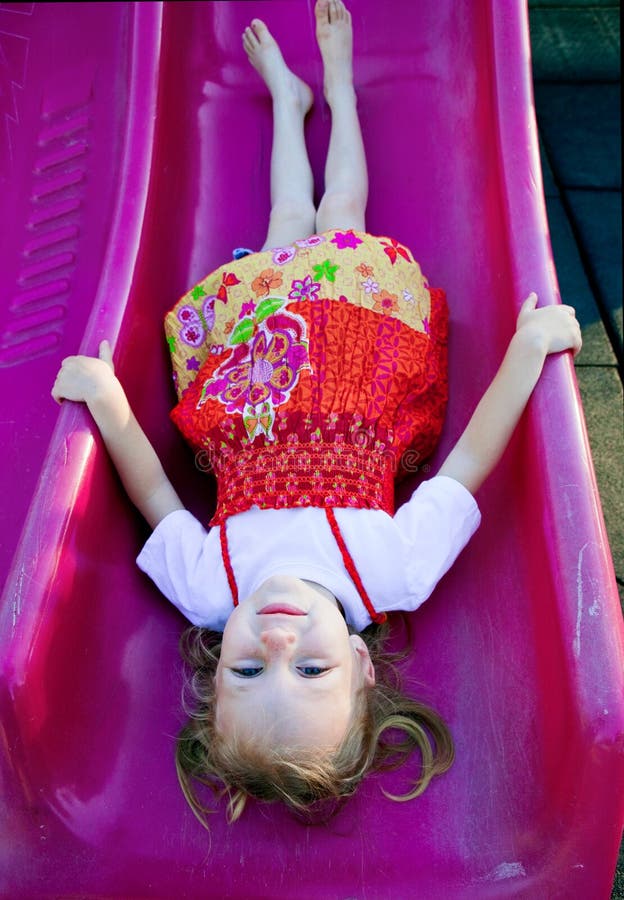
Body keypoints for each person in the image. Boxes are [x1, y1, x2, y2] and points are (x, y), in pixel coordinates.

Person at [51, 0, 582, 828]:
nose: (277, 646)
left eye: (248, 674)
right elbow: (468, 465)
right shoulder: (389, 573)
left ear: (213, 668)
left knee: (284, 224)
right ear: (365, 670)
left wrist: (111, 404)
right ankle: (336, 85)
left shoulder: (207, 589)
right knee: (338, 215)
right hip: (352, 349)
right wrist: (524, 352)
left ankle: (291, 105)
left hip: (262, 368)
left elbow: (155, 495)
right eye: (311, 674)